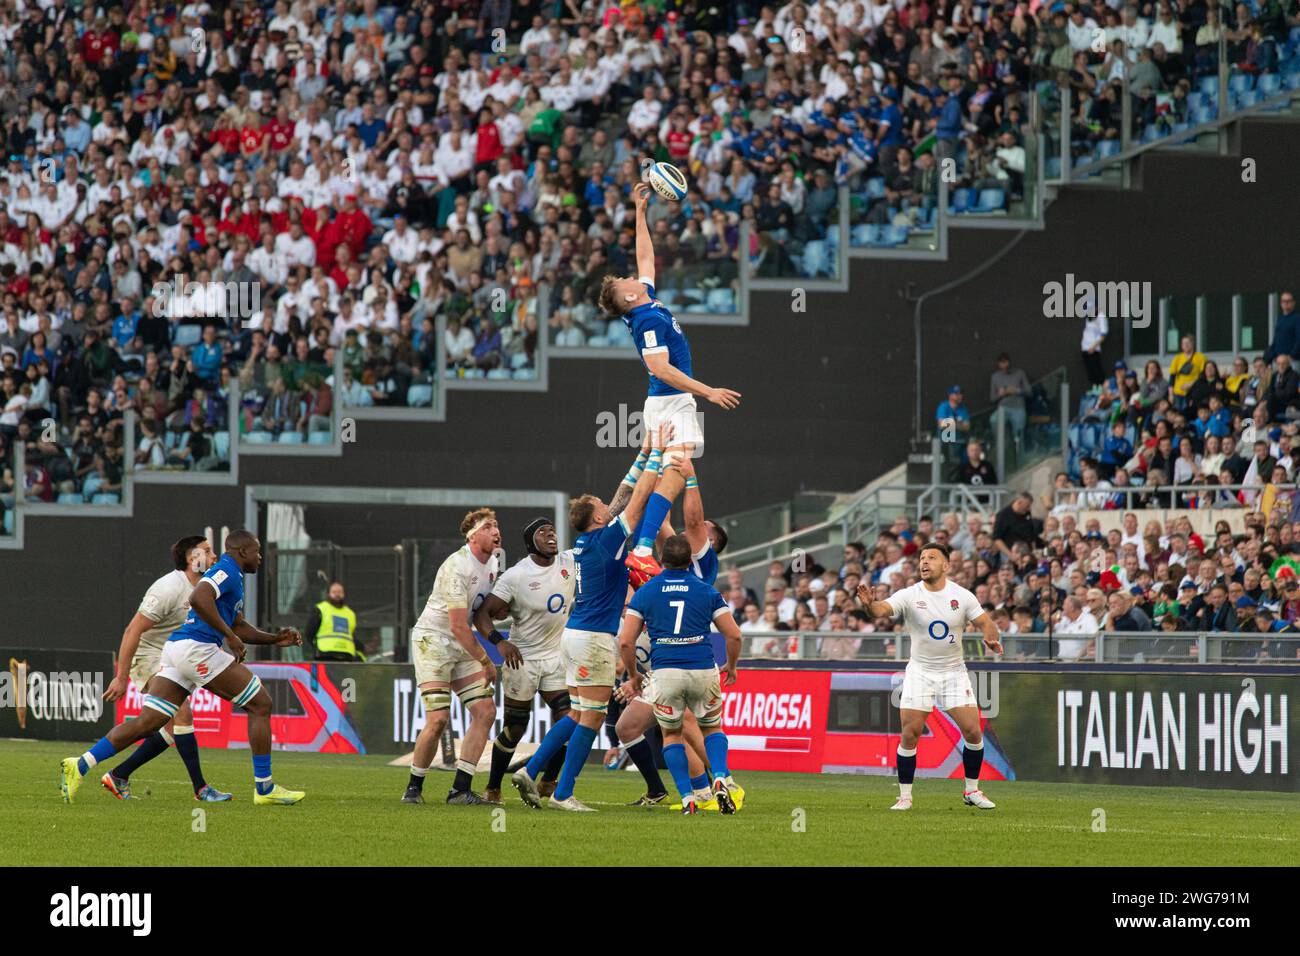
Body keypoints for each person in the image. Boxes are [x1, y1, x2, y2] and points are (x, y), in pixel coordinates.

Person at [61, 531, 305, 805]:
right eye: (257, 551)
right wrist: (230, 638)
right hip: (196, 649)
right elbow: (200, 599)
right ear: (243, 551)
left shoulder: (230, 576)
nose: (260, 557)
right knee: (261, 704)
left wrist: (274, 638)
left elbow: (237, 625)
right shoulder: (225, 570)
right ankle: (264, 788)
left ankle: (80, 765)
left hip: (176, 648)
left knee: (148, 723)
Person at [597, 181, 741, 583]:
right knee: (676, 469)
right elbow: (659, 367)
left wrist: (640, 213)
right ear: (626, 298)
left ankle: (635, 540)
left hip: (667, 403)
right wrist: (708, 390)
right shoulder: (644, 319)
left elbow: (646, 257)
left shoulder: (644, 301)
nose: (633, 277)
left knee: (663, 472)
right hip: (672, 399)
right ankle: (642, 548)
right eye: (626, 282)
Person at [511, 431, 663, 811]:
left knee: (578, 712)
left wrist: (642, 453)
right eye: (601, 506)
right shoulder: (608, 540)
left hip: (573, 634)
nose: (607, 506)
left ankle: (531, 770)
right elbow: (638, 499)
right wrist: (659, 455)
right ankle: (564, 793)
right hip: (594, 637)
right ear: (598, 516)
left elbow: (622, 496)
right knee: (592, 719)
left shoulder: (584, 542)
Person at [613, 453, 743, 811]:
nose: (694, 530)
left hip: (668, 661)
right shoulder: (682, 559)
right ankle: (708, 786)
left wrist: (687, 476)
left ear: (710, 542)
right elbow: (665, 523)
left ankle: (706, 788)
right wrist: (656, 480)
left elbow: (691, 518)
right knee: (631, 726)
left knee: (680, 726)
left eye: (704, 530)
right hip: (686, 661)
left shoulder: (703, 559)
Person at [856, 542, 1003, 811]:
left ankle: (972, 791)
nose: (925, 562)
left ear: (946, 566)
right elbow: (880, 611)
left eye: (932, 558)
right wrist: (869, 605)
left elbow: (985, 622)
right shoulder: (910, 595)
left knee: (973, 731)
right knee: (910, 733)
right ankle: (905, 797)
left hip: (953, 672)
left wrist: (990, 638)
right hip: (920, 672)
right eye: (922, 558)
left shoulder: (963, 596)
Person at [98, 535, 231, 802]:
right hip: (148, 655)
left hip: (173, 656)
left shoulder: (206, 587)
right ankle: (201, 789)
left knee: (170, 729)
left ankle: (119, 774)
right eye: (207, 551)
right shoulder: (169, 588)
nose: (214, 555)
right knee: (182, 714)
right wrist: (121, 677)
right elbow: (133, 630)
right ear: (192, 560)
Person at [471, 517, 576, 805]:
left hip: (556, 656)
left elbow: (598, 539)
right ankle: (493, 787)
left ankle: (547, 782)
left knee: (569, 719)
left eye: (552, 530)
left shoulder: (569, 563)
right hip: (523, 658)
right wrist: (500, 642)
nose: (551, 534)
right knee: (516, 727)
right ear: (532, 542)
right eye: (543, 532)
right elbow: (481, 614)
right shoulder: (516, 576)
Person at [402, 509, 502, 806]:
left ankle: (460, 789)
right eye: (488, 527)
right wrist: (486, 660)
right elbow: (459, 625)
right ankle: (413, 788)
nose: (496, 531)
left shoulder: (494, 562)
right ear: (473, 536)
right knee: (439, 720)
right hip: (432, 641)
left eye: (497, 525)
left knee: (486, 712)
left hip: (459, 642)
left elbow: (479, 611)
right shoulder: (456, 567)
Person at [307, 580, 364, 661]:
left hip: (346, 656)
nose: (337, 594)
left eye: (340, 592)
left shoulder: (350, 613)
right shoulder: (320, 609)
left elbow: (351, 636)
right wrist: (316, 647)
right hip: (325, 655)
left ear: (344, 594)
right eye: (334, 592)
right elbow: (309, 632)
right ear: (328, 594)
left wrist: (361, 647)